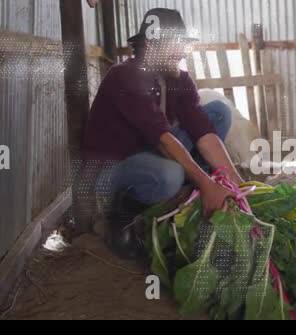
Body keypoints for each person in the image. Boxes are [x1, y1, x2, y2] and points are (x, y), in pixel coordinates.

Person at [79, 8, 244, 256]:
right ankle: (119, 217)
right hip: (114, 169)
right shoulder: (125, 76)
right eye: (173, 43)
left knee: (218, 112)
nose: (180, 52)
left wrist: (238, 184)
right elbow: (164, 141)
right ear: (149, 45)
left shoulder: (179, 80)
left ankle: (192, 188)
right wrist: (206, 182)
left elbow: (204, 133)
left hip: (150, 152)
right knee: (169, 174)